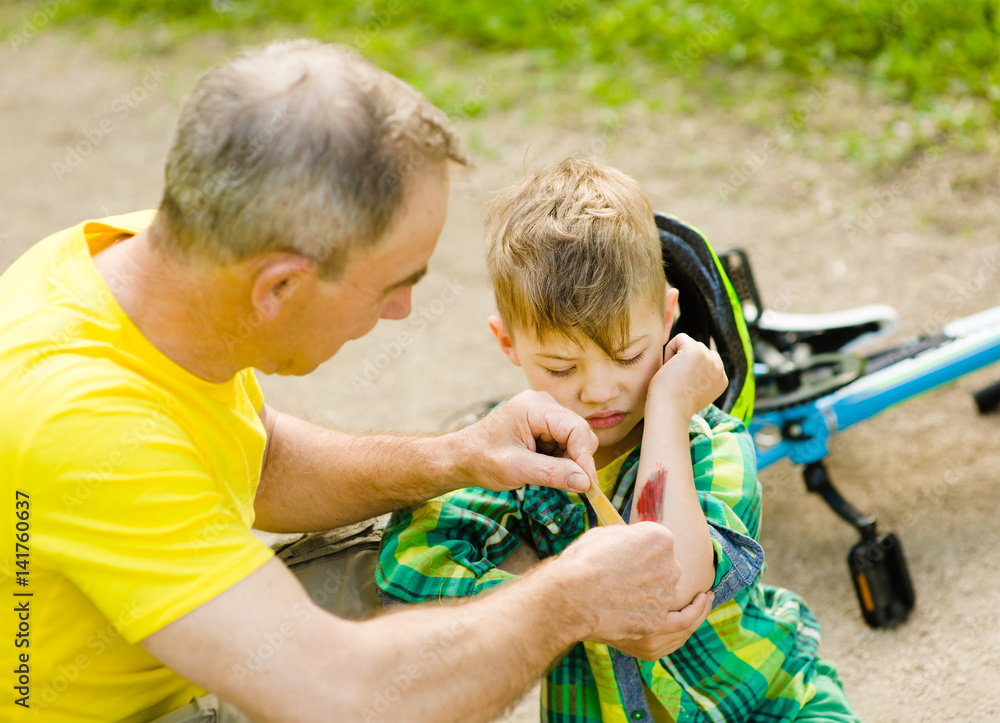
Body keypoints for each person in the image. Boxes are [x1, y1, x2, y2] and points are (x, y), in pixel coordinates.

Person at [0, 43, 715, 722]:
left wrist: (458, 455)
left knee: (480, 561)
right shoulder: (85, 424)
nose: (403, 310)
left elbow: (255, 456)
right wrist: (569, 600)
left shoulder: (155, 259)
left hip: (185, 655)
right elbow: (347, 698)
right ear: (280, 284)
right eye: (392, 284)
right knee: (475, 635)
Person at [377, 158, 862, 722]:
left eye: (629, 355)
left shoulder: (713, 441)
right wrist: (564, 600)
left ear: (667, 316)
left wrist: (666, 410)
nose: (600, 391)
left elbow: (673, 584)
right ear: (507, 343)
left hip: (769, 703)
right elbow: (407, 575)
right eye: (560, 367)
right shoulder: (514, 460)